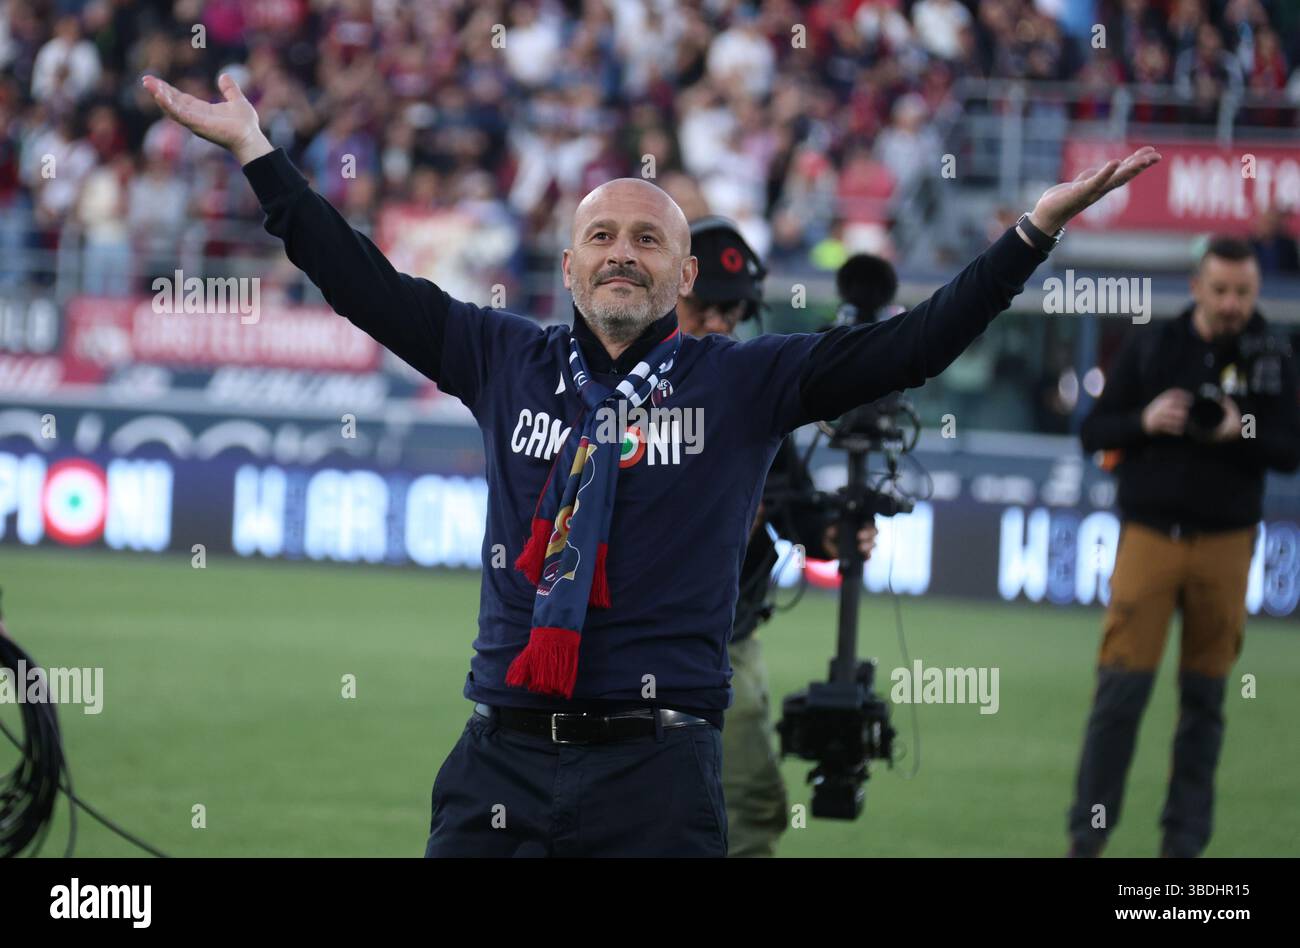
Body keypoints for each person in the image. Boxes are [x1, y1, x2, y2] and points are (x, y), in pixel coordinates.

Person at [142, 71, 1160, 858]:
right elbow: (359, 280)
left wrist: (1032, 232)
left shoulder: (743, 380)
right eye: (600, 237)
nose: (620, 252)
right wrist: (259, 156)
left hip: (658, 771)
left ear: (682, 273)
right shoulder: (499, 356)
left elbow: (916, 343)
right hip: (499, 754)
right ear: (570, 263)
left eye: (645, 240)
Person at [1069, 237, 1300, 858]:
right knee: (1119, 696)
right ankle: (1087, 840)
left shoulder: (1272, 353)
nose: (1231, 304)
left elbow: (1289, 448)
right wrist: (1144, 420)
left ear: (1257, 291)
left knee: (1205, 702)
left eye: (1243, 292)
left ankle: (1183, 851)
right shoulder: (1154, 344)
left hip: (1226, 545)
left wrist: (1238, 426)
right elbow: (1092, 431)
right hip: (1149, 537)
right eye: (1220, 290)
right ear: (1197, 286)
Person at [677, 216, 877, 857]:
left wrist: (829, 532)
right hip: (671, 649)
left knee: (744, 807)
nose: (718, 325)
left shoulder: (744, 389)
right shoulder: (625, 390)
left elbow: (795, 505)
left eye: (731, 312)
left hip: (734, 638)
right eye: (703, 308)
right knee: (743, 808)